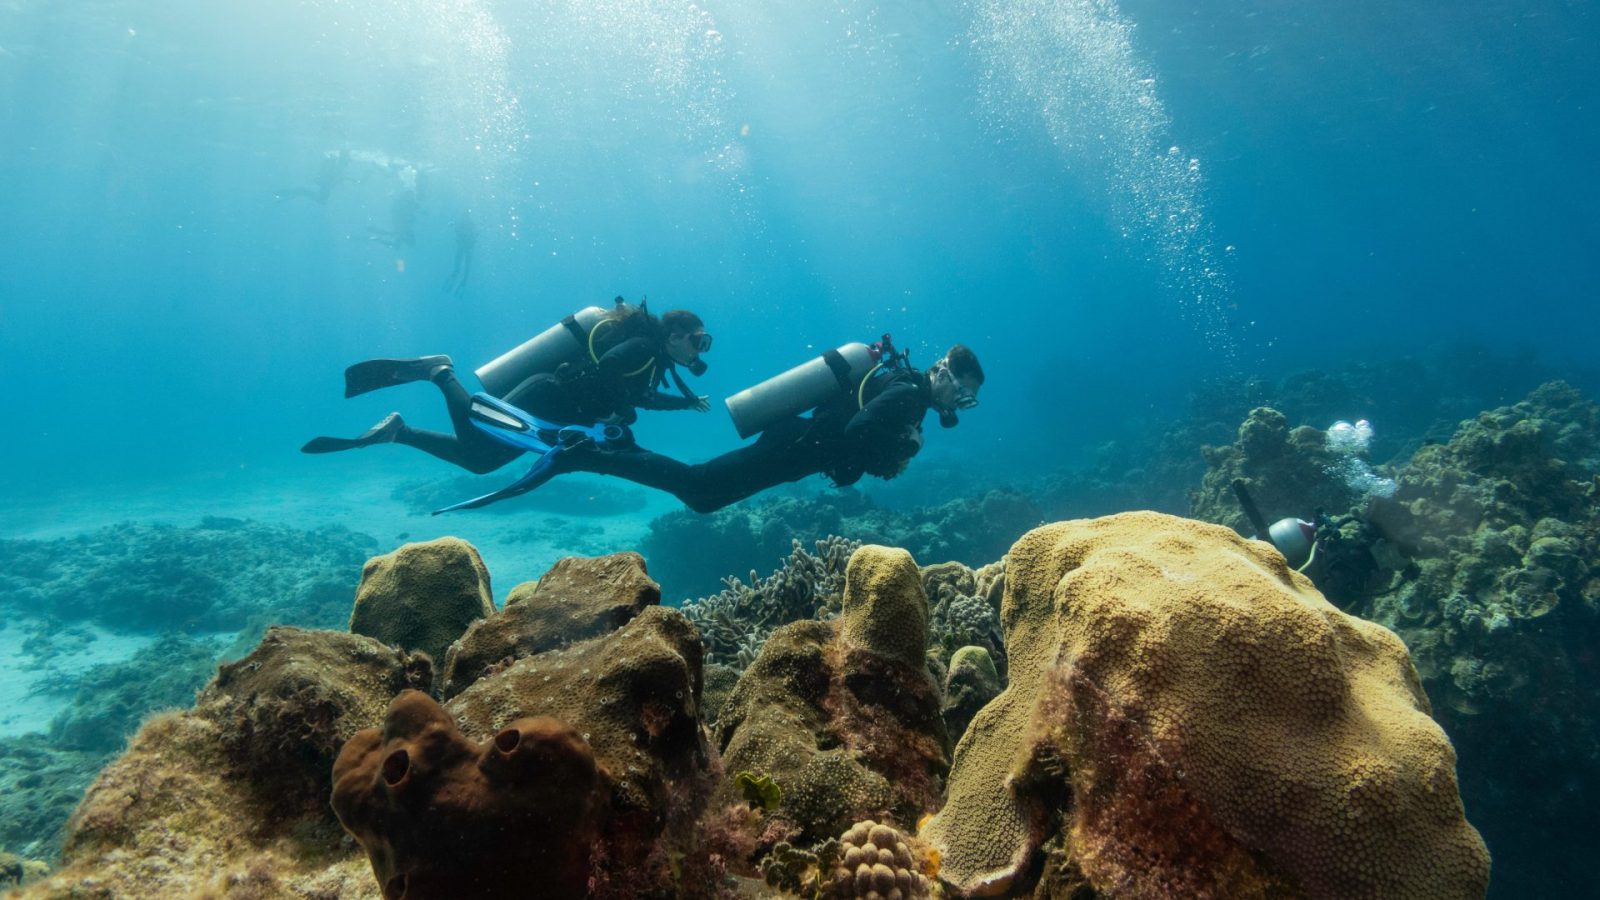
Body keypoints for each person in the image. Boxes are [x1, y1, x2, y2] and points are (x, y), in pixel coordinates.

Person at [535, 341, 983, 513]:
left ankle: (609, 451)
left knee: (704, 496)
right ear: (943, 375)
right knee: (698, 486)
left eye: (968, 399)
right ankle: (592, 453)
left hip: (798, 449)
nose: (961, 403)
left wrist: (901, 444)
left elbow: (862, 433)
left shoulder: (910, 394)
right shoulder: (908, 394)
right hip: (796, 447)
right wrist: (905, 446)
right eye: (962, 392)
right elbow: (858, 429)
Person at [301, 301, 713, 475]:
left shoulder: (652, 362)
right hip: (546, 397)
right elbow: (608, 368)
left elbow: (641, 396)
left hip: (551, 416)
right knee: (476, 438)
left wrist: (685, 405)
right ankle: (440, 372)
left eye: (703, 342)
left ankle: (398, 432)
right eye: (697, 338)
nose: (699, 348)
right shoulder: (645, 347)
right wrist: (612, 409)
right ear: (674, 334)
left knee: (480, 462)